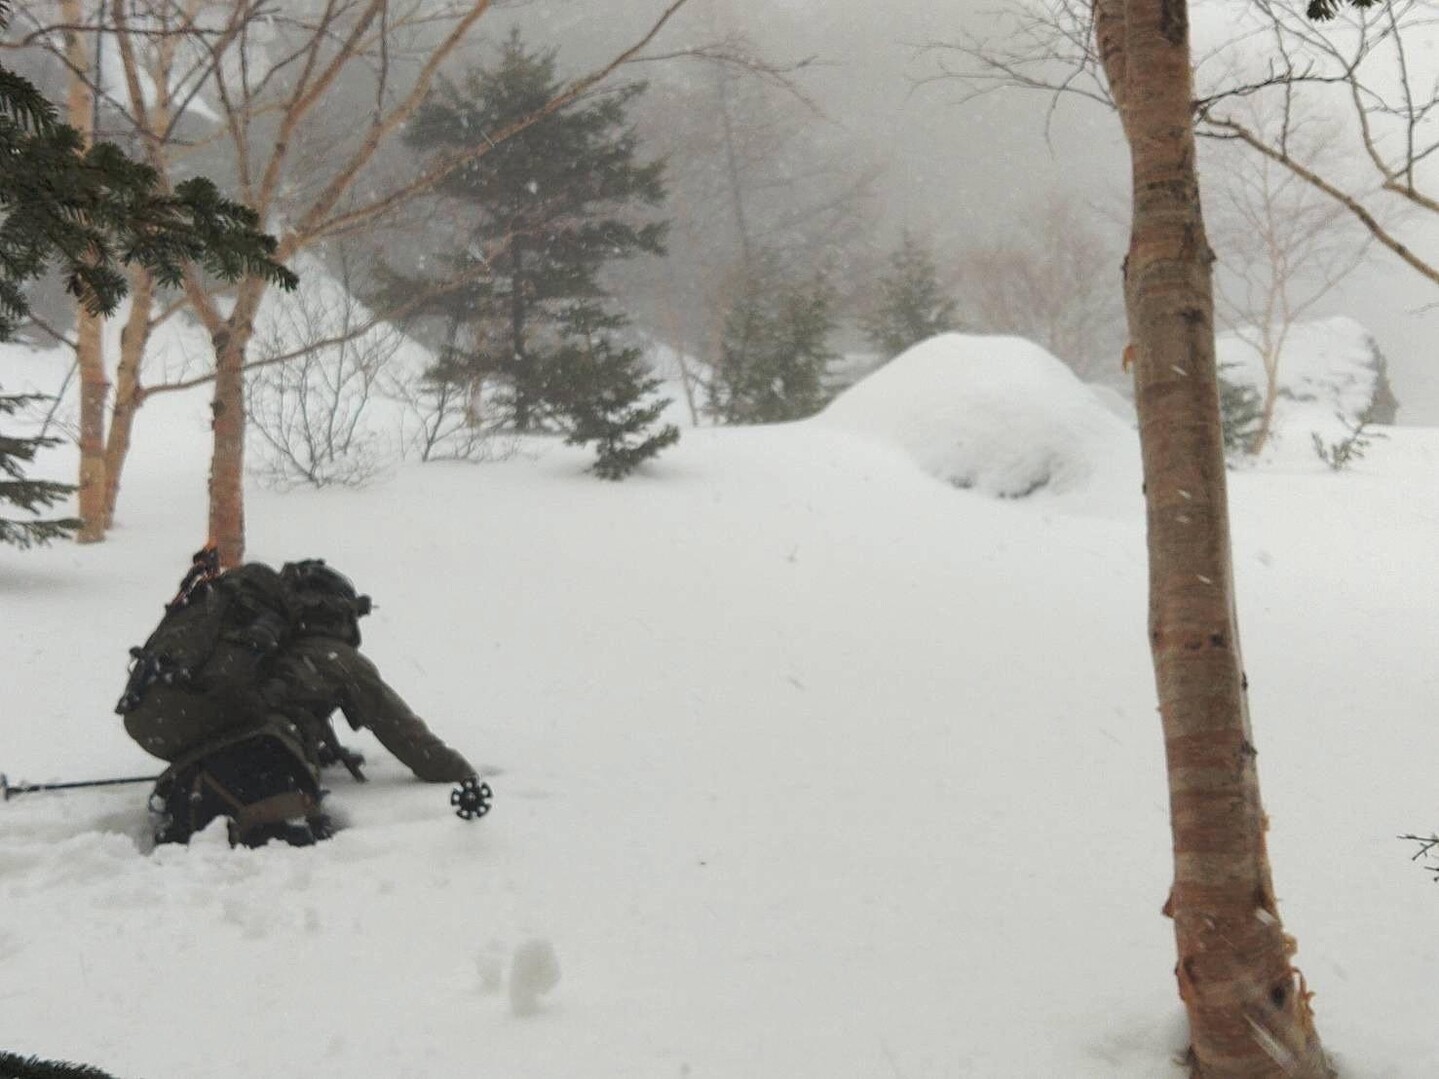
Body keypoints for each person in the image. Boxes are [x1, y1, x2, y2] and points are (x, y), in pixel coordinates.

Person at [117, 548, 475, 848]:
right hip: (230, 740)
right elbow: (403, 733)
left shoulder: (266, 640)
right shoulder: (333, 657)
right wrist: (462, 774)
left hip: (166, 725)